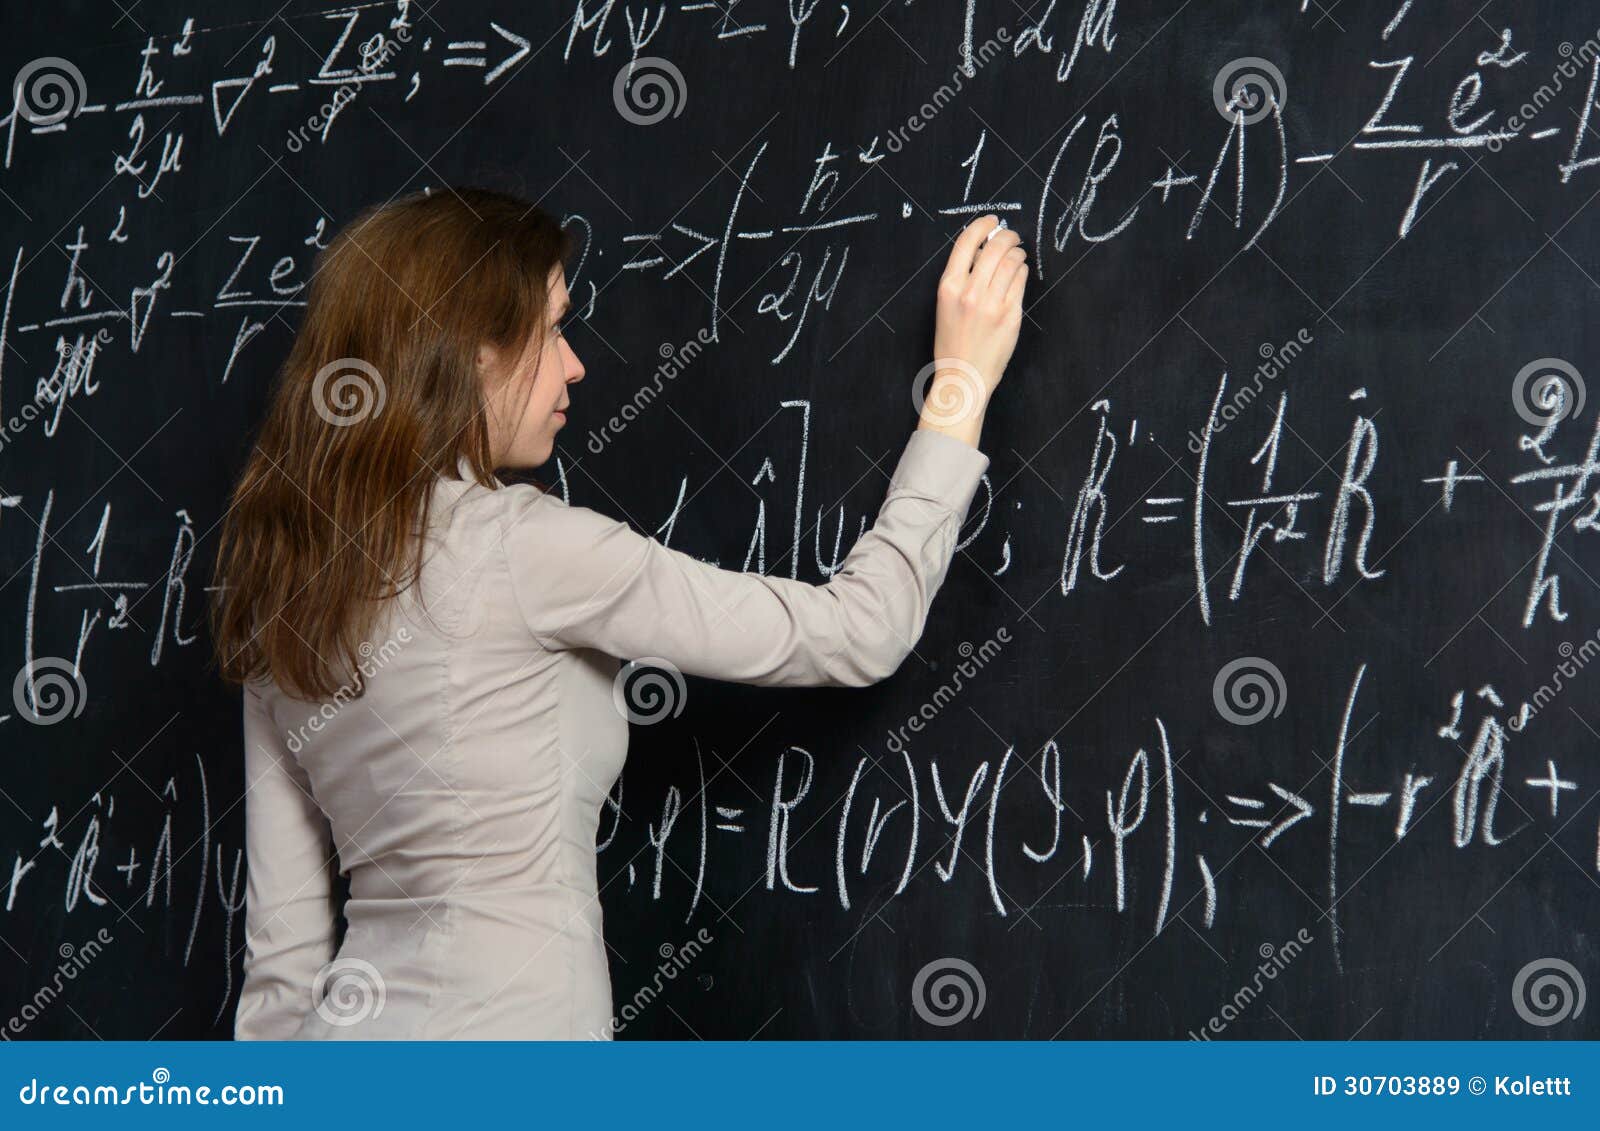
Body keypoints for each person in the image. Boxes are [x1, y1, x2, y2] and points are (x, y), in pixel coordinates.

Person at [213, 187, 1027, 1040]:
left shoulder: (283, 588)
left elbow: (282, 969)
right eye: (553, 329)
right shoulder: (524, 547)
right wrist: (959, 387)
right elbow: (860, 631)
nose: (574, 366)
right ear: (474, 350)